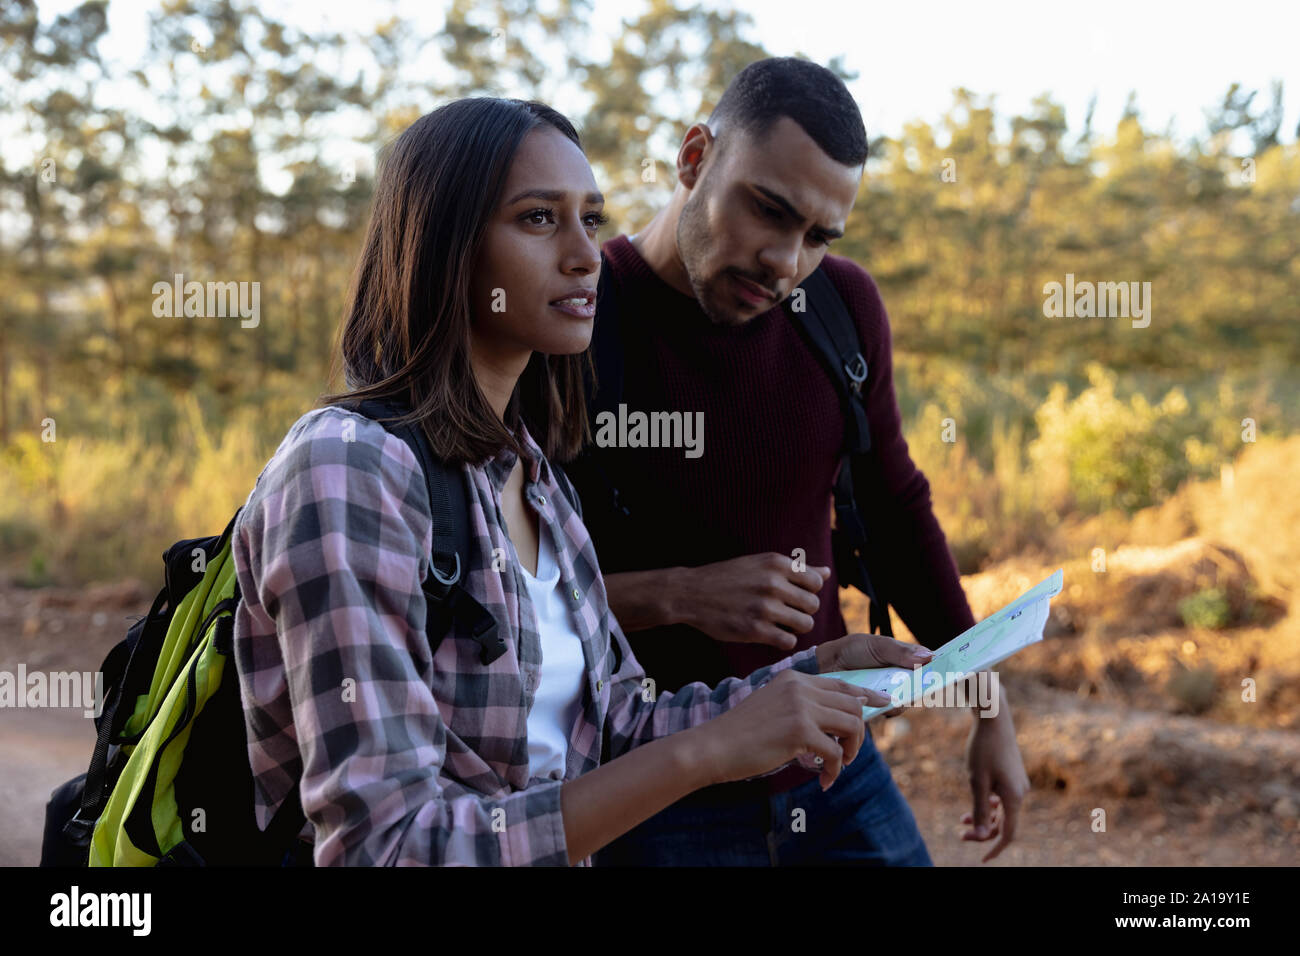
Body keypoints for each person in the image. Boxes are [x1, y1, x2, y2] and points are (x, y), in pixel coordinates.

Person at [228, 96, 929, 866]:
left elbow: (620, 721)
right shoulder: (348, 470)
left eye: (589, 221)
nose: (586, 255)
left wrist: (807, 675)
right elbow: (384, 846)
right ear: (443, 243)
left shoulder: (531, 480)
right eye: (538, 219)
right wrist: (706, 755)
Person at [564, 57, 1031, 866]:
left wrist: (990, 704)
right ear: (694, 157)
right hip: (651, 790)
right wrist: (679, 595)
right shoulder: (577, 322)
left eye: (818, 236)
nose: (787, 261)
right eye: (770, 211)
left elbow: (894, 508)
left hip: (833, 765)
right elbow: (511, 601)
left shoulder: (842, 309)